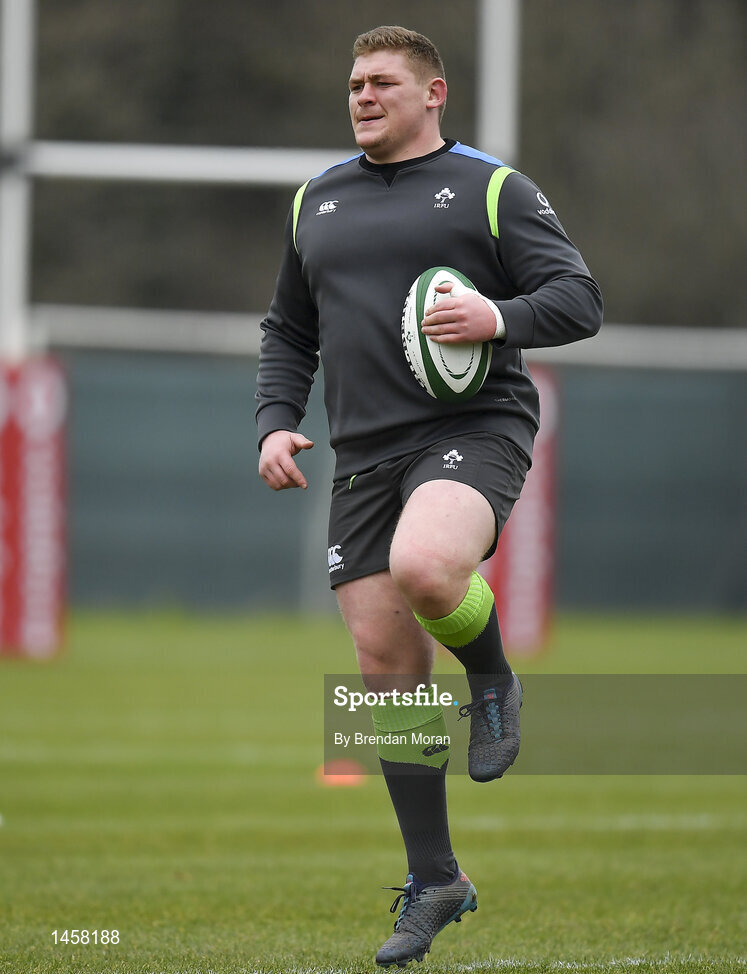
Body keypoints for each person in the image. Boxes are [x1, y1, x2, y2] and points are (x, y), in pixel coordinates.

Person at [256, 25, 602, 969]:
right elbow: (288, 330)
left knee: (426, 566)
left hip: (472, 428)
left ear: (433, 92)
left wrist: (502, 317)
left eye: (382, 83)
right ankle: (436, 877)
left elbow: (578, 297)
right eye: (355, 84)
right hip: (362, 453)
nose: (363, 96)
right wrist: (275, 420)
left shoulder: (493, 187)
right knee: (383, 679)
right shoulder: (315, 200)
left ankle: (490, 676)